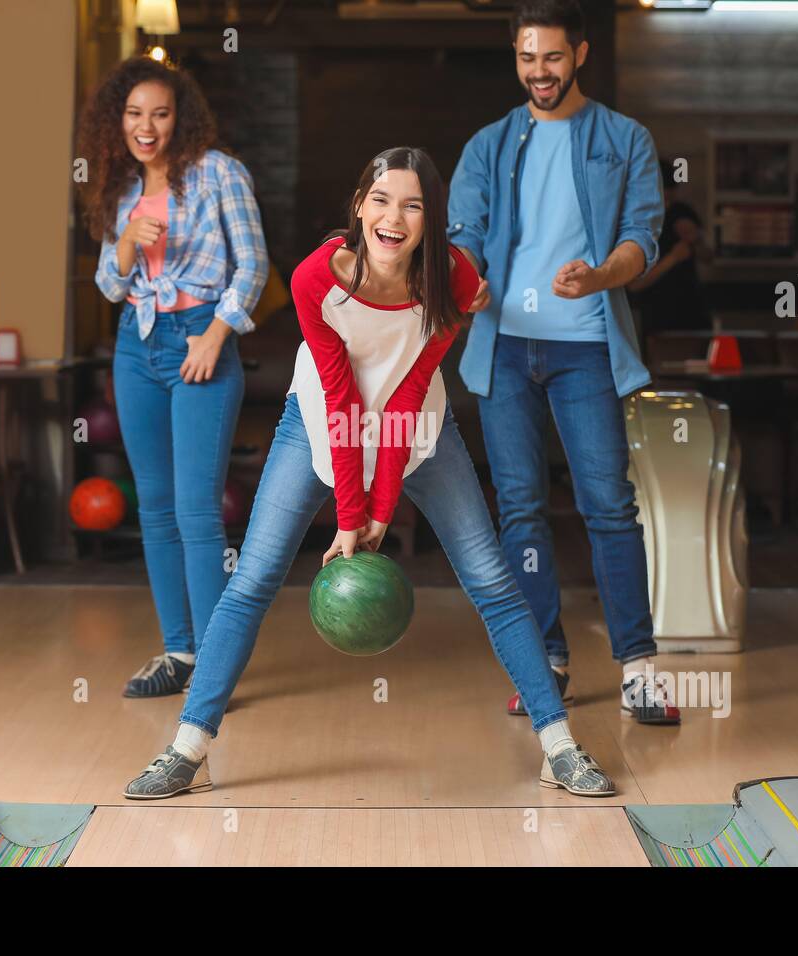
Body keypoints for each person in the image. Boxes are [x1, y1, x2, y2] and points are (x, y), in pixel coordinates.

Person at [122, 147, 616, 800]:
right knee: (254, 579)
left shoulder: (455, 281)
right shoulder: (314, 280)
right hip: (323, 418)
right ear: (359, 207)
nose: (395, 217)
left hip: (417, 430)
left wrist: (383, 511)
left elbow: (409, 392)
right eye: (382, 200)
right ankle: (187, 749)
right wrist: (353, 517)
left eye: (414, 205)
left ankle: (559, 747)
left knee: (493, 579)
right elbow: (343, 397)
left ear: (432, 222)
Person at [447, 0, 679, 724]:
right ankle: (544, 659)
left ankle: (639, 667)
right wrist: (469, 281)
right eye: (526, 58)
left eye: (551, 57)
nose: (538, 73)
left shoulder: (624, 138)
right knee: (519, 509)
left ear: (579, 53)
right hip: (506, 349)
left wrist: (603, 274)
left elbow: (644, 234)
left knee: (608, 506)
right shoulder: (488, 144)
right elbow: (462, 237)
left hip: (586, 346)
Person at [77, 57, 268, 697]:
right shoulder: (121, 188)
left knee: (197, 513)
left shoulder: (219, 173)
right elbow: (110, 283)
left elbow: (254, 266)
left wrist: (217, 333)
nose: (147, 126)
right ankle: (179, 653)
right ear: (118, 120)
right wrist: (128, 238)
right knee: (155, 510)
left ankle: (214, 670)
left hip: (200, 341)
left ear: (179, 116)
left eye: (159, 113)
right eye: (134, 114)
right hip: (137, 344)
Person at [629, 159, 713, 351]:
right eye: (662, 199)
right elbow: (634, 284)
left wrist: (697, 238)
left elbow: (708, 257)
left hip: (693, 310)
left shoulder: (682, 212)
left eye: (670, 199)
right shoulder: (638, 221)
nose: (666, 205)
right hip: (658, 316)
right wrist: (672, 259)